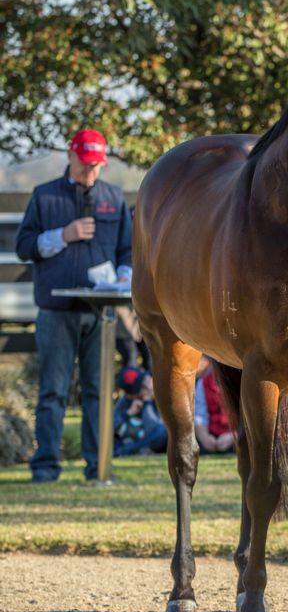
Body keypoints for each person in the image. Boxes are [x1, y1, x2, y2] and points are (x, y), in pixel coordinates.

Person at [15, 129, 132, 483]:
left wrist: (126, 274)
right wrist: (62, 236)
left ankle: (98, 467)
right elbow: (24, 246)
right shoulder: (45, 196)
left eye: (96, 166)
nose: (90, 172)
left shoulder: (113, 197)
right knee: (54, 390)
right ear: (71, 156)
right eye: (85, 164)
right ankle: (46, 468)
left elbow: (128, 249)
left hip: (101, 312)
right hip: (56, 310)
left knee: (98, 391)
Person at [112, 366, 167, 457]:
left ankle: (128, 450)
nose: (148, 386)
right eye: (143, 387)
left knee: (164, 430)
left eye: (146, 380)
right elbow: (111, 427)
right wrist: (128, 413)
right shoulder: (125, 401)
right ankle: (133, 449)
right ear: (131, 395)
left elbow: (153, 429)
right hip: (133, 440)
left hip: (155, 442)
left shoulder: (161, 393)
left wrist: (147, 403)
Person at [194, 354, 235, 453]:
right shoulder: (203, 382)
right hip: (211, 435)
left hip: (234, 435)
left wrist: (233, 436)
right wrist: (205, 437)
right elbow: (200, 415)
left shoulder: (237, 381)